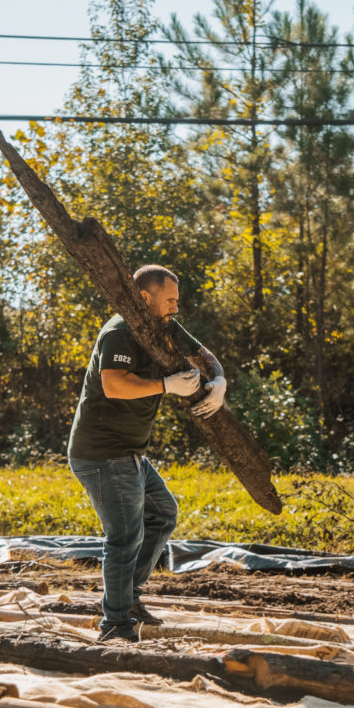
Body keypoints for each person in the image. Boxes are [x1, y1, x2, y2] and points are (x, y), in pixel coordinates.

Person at [68, 264, 226, 642]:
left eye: (176, 300)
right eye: (169, 300)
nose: (175, 308)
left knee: (163, 513)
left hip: (129, 451)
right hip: (103, 452)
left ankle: (128, 599)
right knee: (124, 535)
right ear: (145, 297)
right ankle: (117, 625)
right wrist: (166, 385)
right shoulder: (119, 332)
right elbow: (114, 385)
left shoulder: (165, 326)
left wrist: (218, 381)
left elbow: (204, 355)